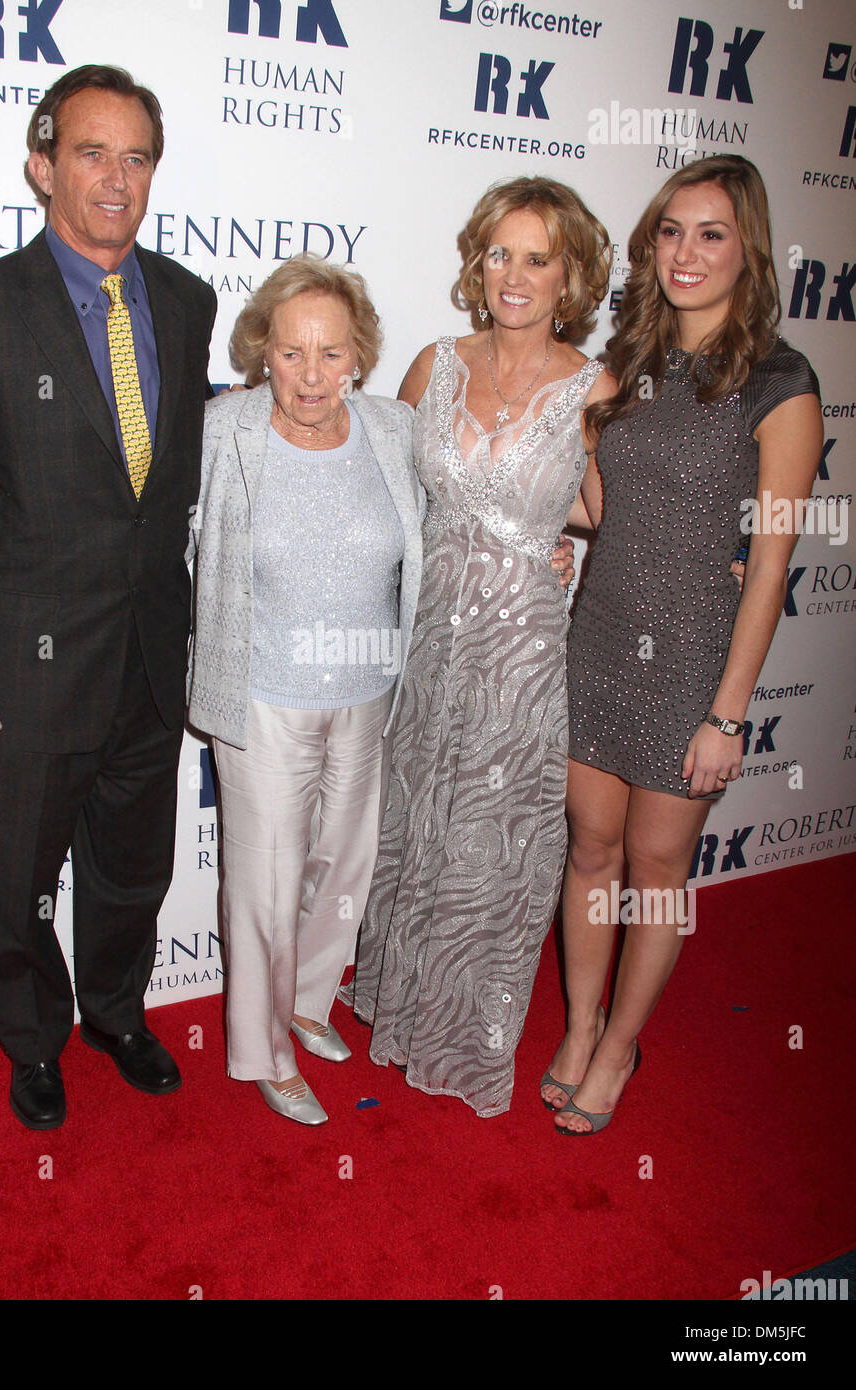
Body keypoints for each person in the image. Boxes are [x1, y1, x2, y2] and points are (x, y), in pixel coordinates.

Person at [0, 65, 217, 1130]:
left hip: (148, 650)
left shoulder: (184, 300)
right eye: (91, 152)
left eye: (136, 156)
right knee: (21, 876)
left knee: (135, 862)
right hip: (23, 661)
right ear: (43, 166)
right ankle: (32, 1041)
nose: (116, 177)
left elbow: (173, 482)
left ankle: (119, 1015)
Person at [544, 154, 822, 1134]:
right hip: (602, 641)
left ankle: (620, 1044)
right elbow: (599, 508)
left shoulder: (781, 382)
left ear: (746, 248)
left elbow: (772, 562)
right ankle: (579, 1026)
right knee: (589, 852)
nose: (685, 251)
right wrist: (539, 519)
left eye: (709, 233)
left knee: (657, 872)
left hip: (693, 661)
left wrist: (725, 713)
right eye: (670, 230)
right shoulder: (628, 362)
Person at [349, 178, 616, 1118]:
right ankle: (396, 999)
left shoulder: (596, 390)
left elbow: (612, 517)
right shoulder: (434, 366)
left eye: (538, 258)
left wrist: (568, 549)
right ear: (477, 262)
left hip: (522, 654)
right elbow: (382, 494)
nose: (515, 275)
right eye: (500, 253)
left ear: (570, 274)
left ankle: (466, 1033)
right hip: (429, 641)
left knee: (493, 848)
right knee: (416, 819)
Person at [185, 257, 424, 1125]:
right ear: (263, 354)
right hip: (262, 692)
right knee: (266, 880)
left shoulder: (395, 429)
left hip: (370, 686)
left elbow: (456, 522)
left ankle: (309, 1005)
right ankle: (264, 1052)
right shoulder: (226, 430)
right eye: (292, 353)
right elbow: (167, 541)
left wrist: (547, 550)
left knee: (347, 866)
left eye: (331, 353)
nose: (312, 375)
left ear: (359, 354)